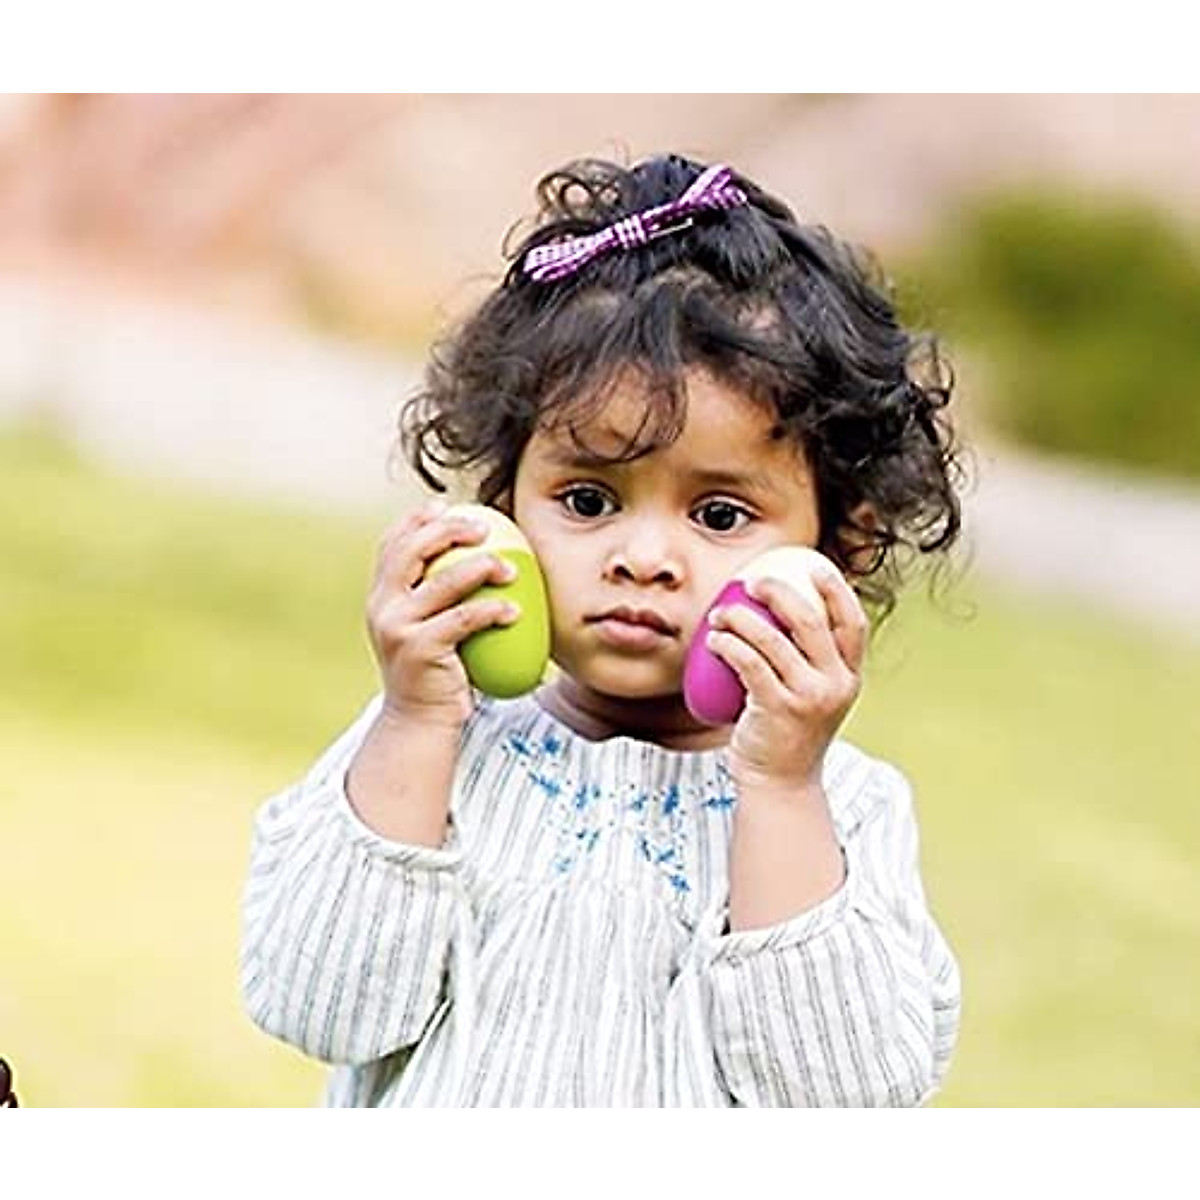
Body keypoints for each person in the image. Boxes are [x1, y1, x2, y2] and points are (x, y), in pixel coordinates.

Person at [240, 154, 964, 1107]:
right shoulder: (432, 747)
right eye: (587, 499)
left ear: (842, 545)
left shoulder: (849, 811)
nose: (644, 558)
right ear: (502, 509)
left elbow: (838, 1096)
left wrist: (781, 788)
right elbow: (317, 1006)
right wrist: (415, 724)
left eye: (718, 515)